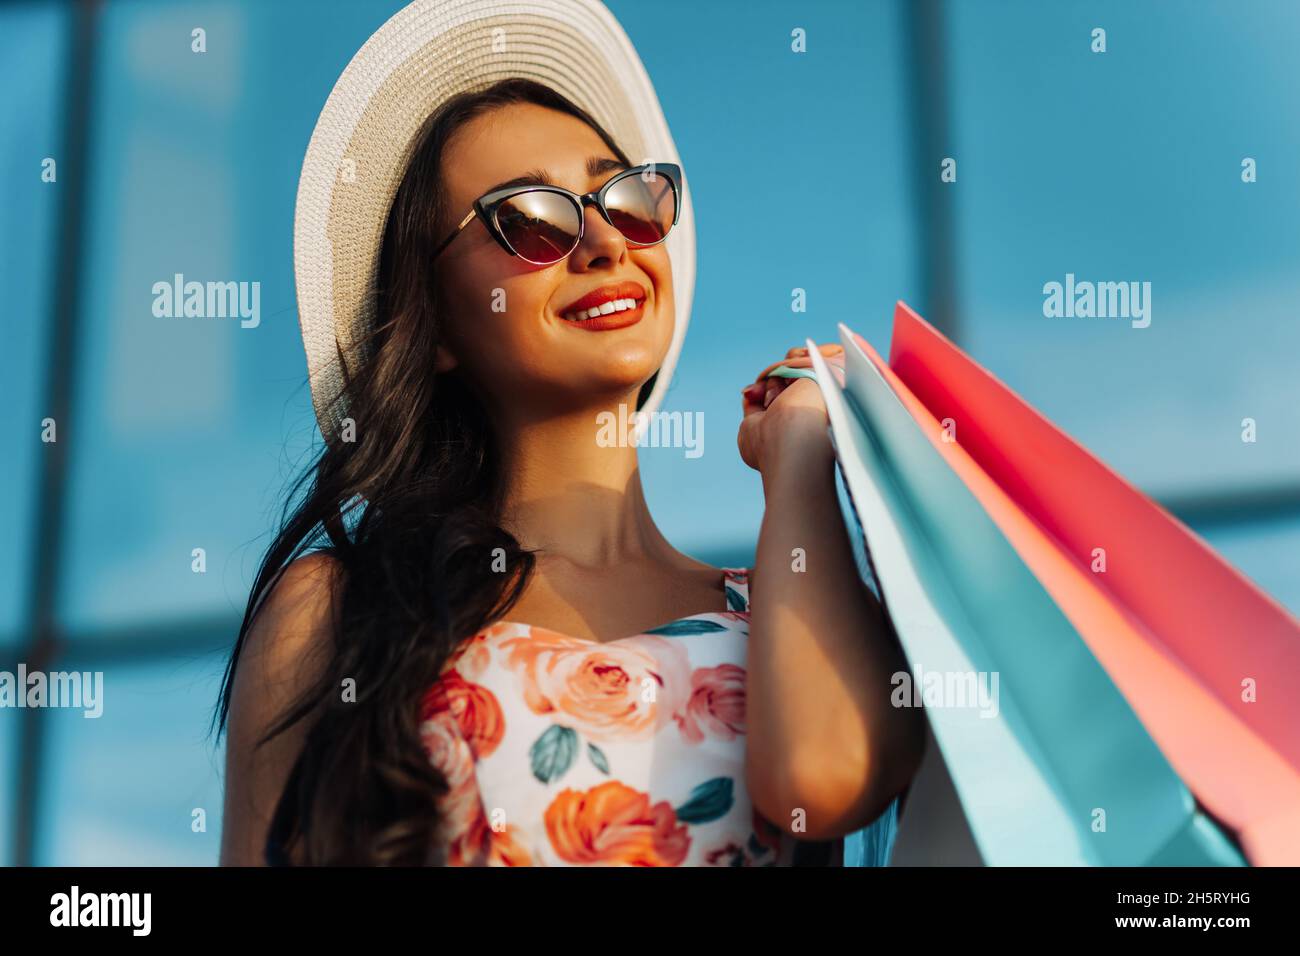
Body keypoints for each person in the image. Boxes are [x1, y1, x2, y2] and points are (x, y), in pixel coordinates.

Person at [216, 1, 923, 867]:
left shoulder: (784, 604)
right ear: (433, 323)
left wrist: (800, 457)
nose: (601, 243)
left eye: (626, 199)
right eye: (533, 220)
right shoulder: (346, 610)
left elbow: (824, 778)